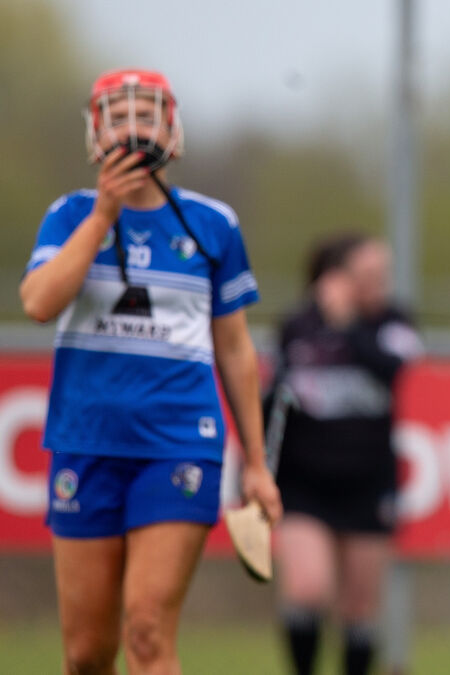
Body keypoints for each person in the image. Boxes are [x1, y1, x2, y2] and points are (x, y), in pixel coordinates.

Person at [19, 68, 281, 674]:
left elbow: (237, 351)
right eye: (118, 116)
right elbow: (38, 304)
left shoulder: (212, 223)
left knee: (146, 631)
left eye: (146, 114)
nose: (133, 128)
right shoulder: (69, 215)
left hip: (179, 444)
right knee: (86, 654)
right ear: (95, 132)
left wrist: (258, 466)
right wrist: (102, 215)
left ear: (171, 126)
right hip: (85, 443)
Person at [270, 233, 423, 675]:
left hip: (367, 482)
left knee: (359, 609)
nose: (381, 284)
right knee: (307, 589)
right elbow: (273, 401)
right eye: (369, 276)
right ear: (337, 278)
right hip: (303, 484)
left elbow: (391, 368)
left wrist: (347, 325)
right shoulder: (297, 325)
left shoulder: (393, 322)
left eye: (384, 276)